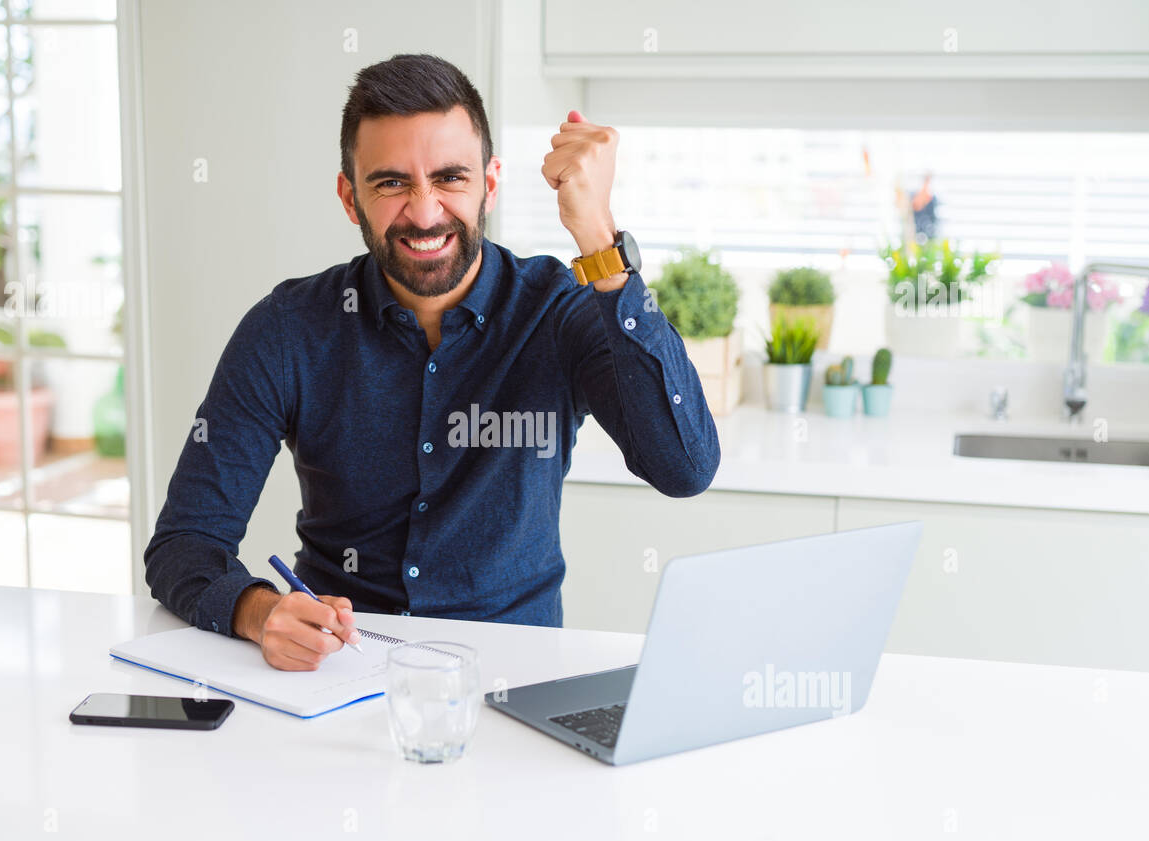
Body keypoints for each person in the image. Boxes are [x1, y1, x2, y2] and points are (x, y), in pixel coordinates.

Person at [144, 54, 720, 671]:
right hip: (338, 670)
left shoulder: (558, 311)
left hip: (513, 676)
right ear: (349, 196)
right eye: (391, 183)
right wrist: (259, 612)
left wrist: (600, 240)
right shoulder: (288, 329)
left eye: (450, 178)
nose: (423, 212)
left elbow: (684, 467)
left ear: (490, 185)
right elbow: (185, 542)